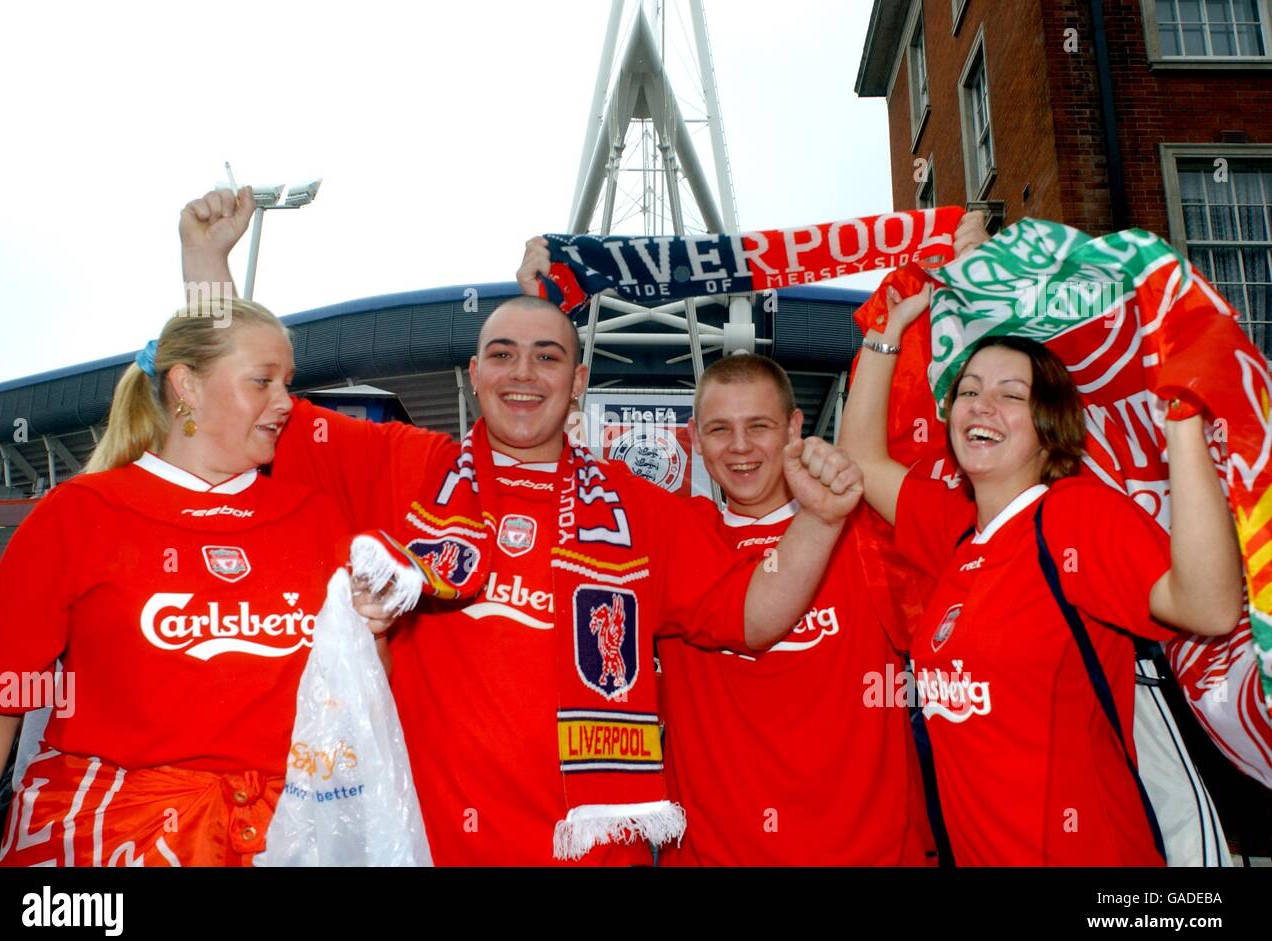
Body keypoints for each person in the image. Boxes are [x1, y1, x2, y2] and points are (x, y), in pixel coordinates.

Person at [180, 189, 865, 866]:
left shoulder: (639, 509)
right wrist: (206, 267)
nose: (523, 374)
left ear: (579, 380)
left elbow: (751, 614)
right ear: (475, 374)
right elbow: (238, 401)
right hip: (438, 850)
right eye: (503, 354)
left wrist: (820, 520)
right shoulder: (405, 470)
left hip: (595, 855)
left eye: (547, 356)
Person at [838, 282, 1244, 866]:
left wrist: (1181, 425)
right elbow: (861, 458)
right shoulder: (957, 534)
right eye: (970, 391)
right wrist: (891, 328)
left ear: (1048, 422)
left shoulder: (1073, 515)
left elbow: (1208, 608)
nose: (981, 405)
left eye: (1010, 395)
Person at [0, 299, 353, 867]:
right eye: (263, 382)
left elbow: (356, 693)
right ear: (186, 387)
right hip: (112, 839)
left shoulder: (317, 519)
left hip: (286, 839)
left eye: (288, 383)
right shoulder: (77, 514)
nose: (285, 404)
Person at [655, 352, 934, 865]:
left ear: (794, 426)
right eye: (719, 429)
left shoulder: (870, 534)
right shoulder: (673, 539)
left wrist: (884, 336)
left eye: (759, 426)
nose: (739, 447)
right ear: (694, 437)